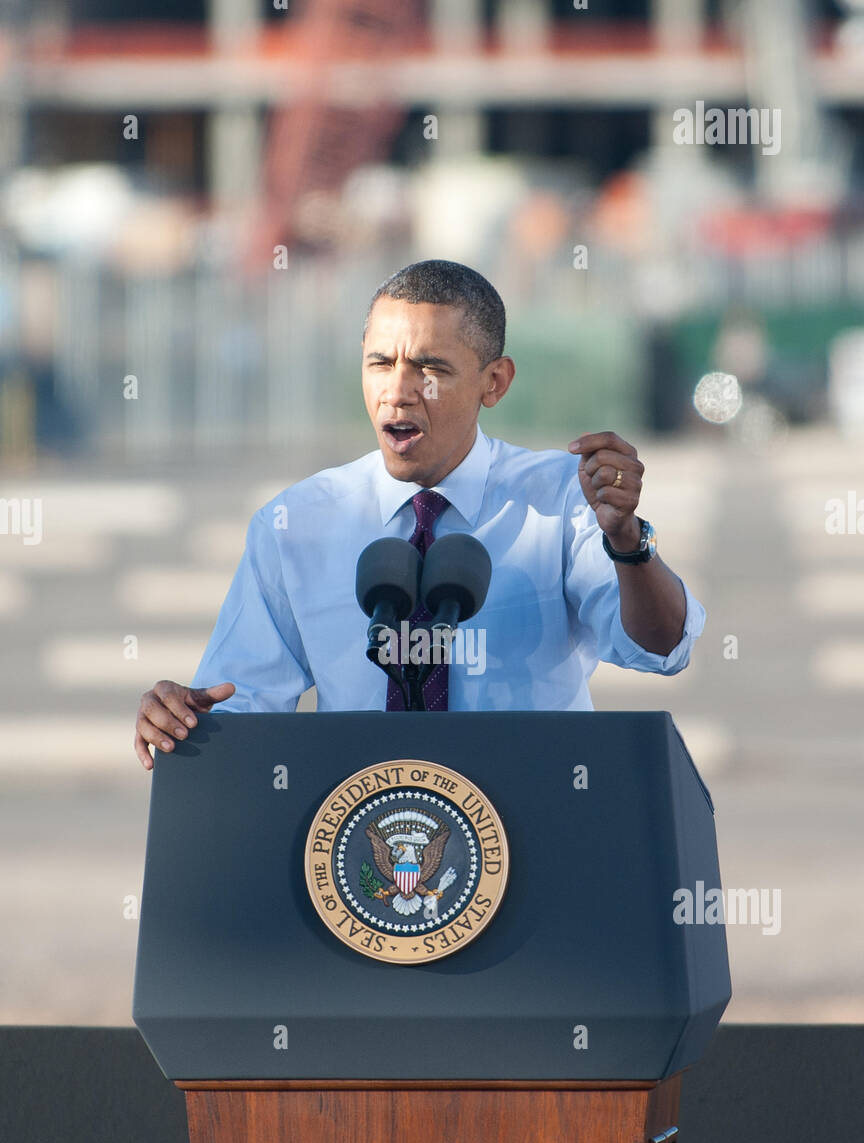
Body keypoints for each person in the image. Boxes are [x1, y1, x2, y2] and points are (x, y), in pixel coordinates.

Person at [134, 259, 704, 770]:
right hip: (357, 850)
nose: (398, 391)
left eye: (430, 369)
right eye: (380, 363)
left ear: (495, 383)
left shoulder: (561, 499)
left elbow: (661, 648)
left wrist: (627, 541)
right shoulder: (295, 524)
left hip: (536, 828)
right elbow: (241, 704)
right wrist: (179, 716)